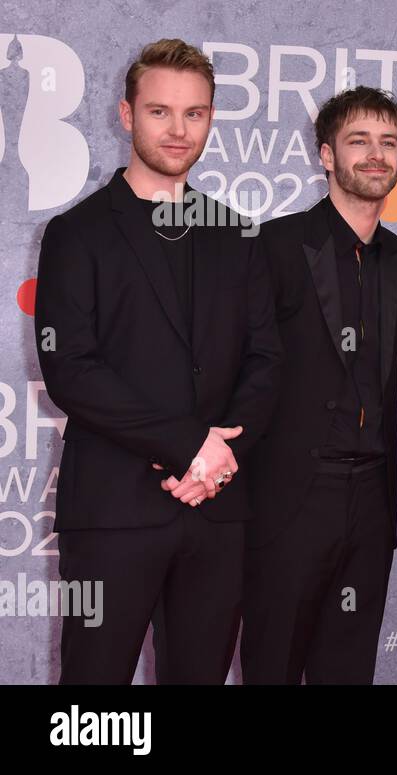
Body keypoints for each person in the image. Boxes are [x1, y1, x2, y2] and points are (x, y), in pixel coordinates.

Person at [35, 39, 280, 684]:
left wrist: (218, 462)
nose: (178, 130)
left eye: (195, 114)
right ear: (126, 115)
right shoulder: (76, 233)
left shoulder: (239, 233)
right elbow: (72, 370)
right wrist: (189, 448)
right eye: (160, 112)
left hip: (217, 511)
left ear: (211, 120)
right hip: (114, 509)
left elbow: (266, 362)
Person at [240, 87, 397, 684]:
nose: (375, 155)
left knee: (349, 669)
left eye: (388, 143)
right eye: (358, 141)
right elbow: (241, 368)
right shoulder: (277, 246)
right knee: (274, 664)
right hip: (290, 497)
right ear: (326, 155)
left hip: (370, 500)